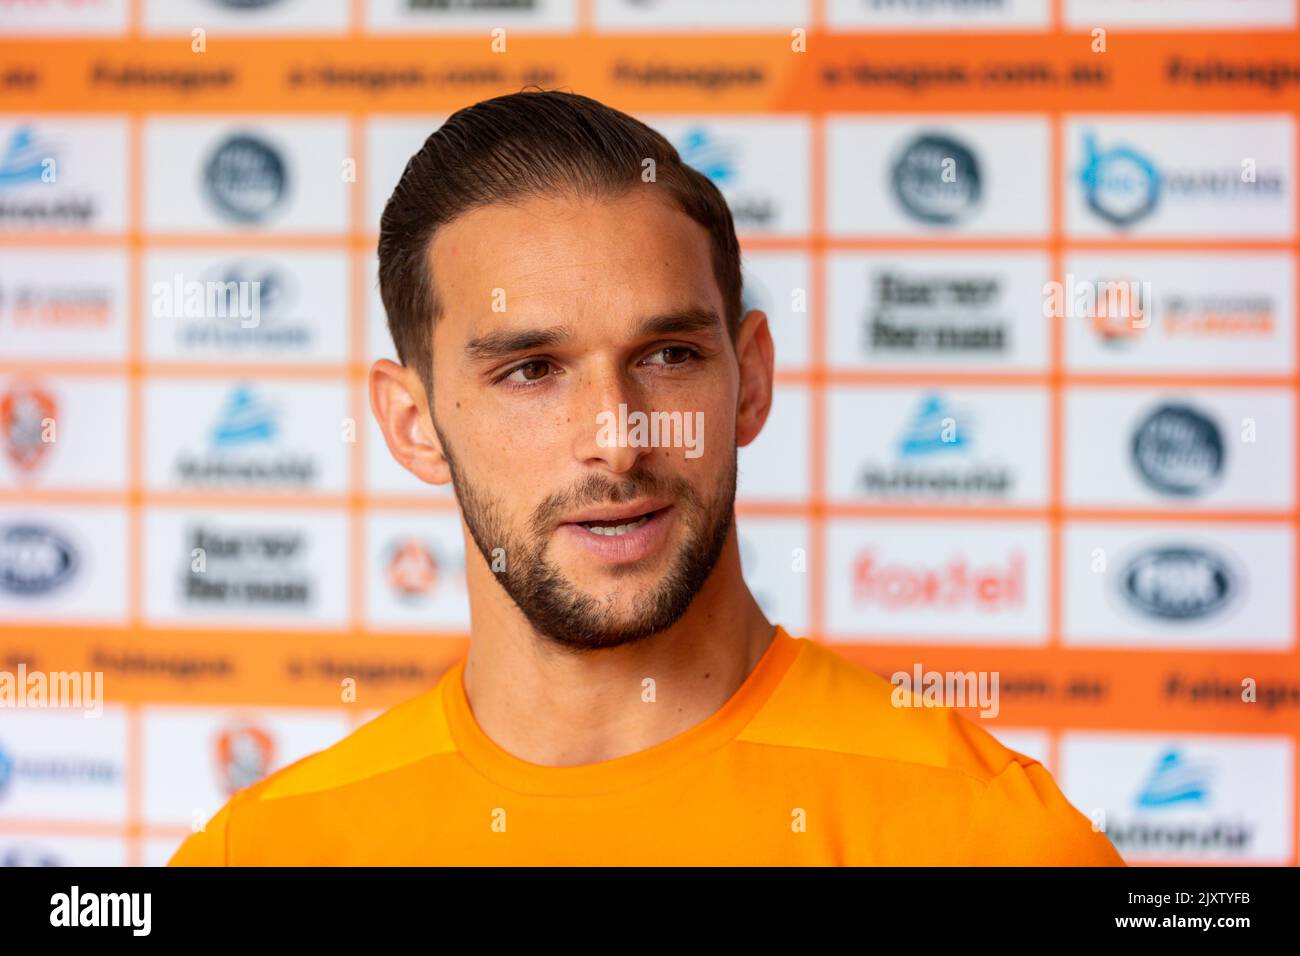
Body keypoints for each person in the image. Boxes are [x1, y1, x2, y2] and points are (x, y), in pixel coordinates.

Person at [170, 89, 1123, 866]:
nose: (619, 440)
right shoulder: (267, 849)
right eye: (530, 370)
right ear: (413, 425)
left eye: (668, 354)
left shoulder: (986, 840)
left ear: (750, 380)